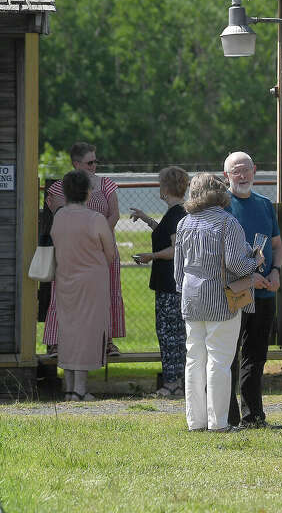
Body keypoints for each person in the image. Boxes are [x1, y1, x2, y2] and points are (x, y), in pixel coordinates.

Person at [174, 172, 265, 432]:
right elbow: (236, 264)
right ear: (219, 192)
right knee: (219, 361)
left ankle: (196, 421)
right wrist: (256, 261)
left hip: (191, 298)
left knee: (194, 360)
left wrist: (185, 292)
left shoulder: (184, 224)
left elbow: (178, 271)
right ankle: (218, 422)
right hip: (222, 300)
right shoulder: (228, 223)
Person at [44, 142, 124, 357]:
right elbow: (59, 214)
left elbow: (114, 215)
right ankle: (55, 342)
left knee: (107, 294)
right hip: (72, 251)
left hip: (103, 251)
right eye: (89, 163)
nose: (93, 166)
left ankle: (107, 340)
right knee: (61, 294)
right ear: (76, 163)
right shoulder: (60, 187)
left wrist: (99, 238)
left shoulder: (106, 184)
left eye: (95, 162)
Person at [222, 151, 282, 429]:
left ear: (255, 170)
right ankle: (229, 416)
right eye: (236, 171)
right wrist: (249, 278)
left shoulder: (265, 204)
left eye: (246, 169)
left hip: (265, 293)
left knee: (256, 356)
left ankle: (254, 416)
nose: (243, 175)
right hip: (235, 293)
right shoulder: (222, 206)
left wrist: (276, 271)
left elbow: (278, 246)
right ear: (226, 175)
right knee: (229, 356)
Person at [51, 169, 118, 401]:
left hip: (64, 280)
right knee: (87, 333)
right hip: (92, 283)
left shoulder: (58, 217)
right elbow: (110, 254)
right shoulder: (96, 219)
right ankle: (80, 389)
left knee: (67, 331)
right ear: (88, 193)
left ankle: (69, 388)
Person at [132, 166, 190, 397]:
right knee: (176, 334)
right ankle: (177, 381)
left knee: (170, 335)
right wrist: (148, 220)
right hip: (172, 284)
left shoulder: (176, 214)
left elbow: (176, 249)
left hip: (169, 285)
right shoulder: (177, 213)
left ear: (166, 188)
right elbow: (166, 234)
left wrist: (151, 256)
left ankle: (172, 383)